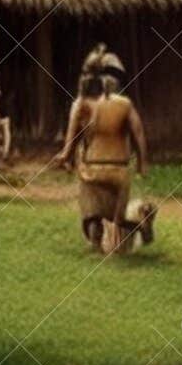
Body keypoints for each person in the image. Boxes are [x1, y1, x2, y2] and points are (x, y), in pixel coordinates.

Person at [55, 52, 148, 250]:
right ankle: (136, 223)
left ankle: (97, 230)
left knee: (92, 215)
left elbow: (71, 140)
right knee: (117, 222)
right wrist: (141, 164)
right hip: (119, 172)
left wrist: (64, 158)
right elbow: (138, 134)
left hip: (91, 171)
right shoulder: (125, 105)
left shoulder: (80, 106)